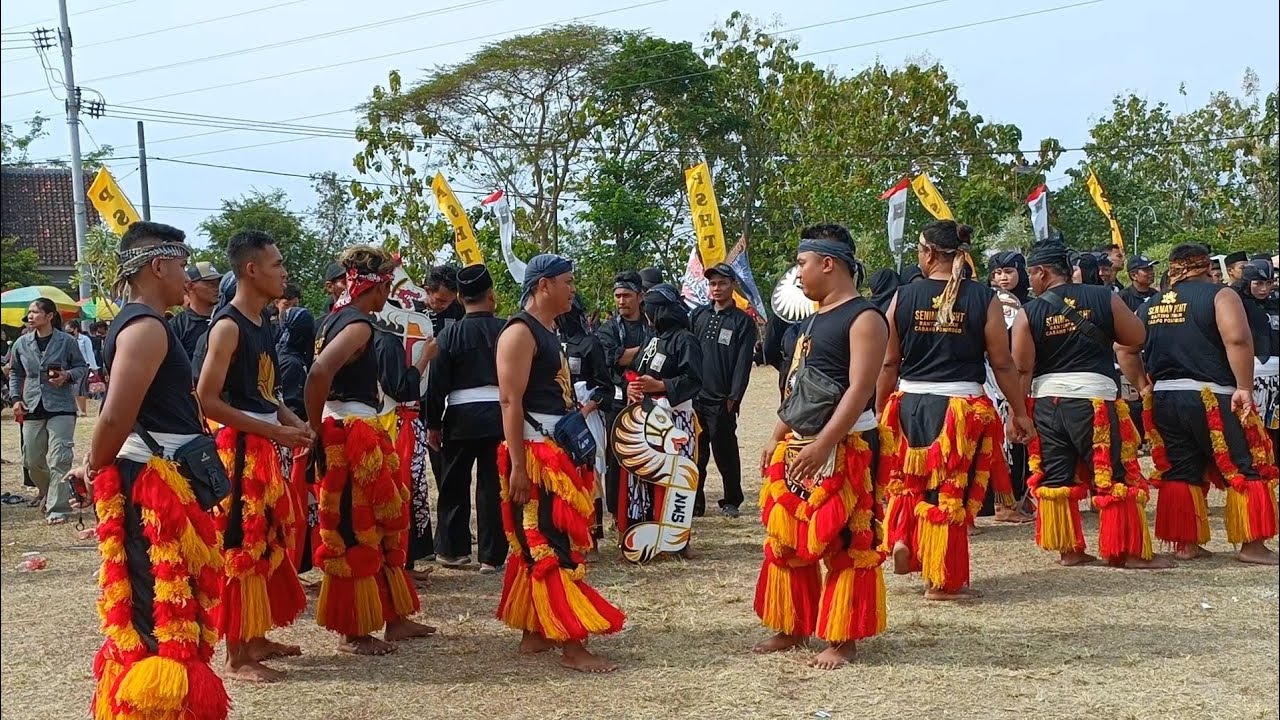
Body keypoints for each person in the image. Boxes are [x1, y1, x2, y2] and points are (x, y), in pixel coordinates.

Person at [78, 221, 230, 720]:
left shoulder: (148, 323)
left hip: (163, 481)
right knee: (155, 614)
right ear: (158, 266)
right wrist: (92, 466)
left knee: (170, 604)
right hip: (150, 489)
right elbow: (116, 415)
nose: (188, 277)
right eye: (183, 266)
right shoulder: (144, 328)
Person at [752, 224, 888, 669]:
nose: (798, 271)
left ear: (828, 264)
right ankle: (791, 625)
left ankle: (843, 638)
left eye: (802, 262)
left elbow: (859, 389)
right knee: (788, 538)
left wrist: (824, 443)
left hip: (847, 443)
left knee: (848, 540)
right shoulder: (811, 319)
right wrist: (777, 438)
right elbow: (799, 389)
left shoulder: (864, 317)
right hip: (800, 442)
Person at [877, 220, 1030, 601]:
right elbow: (1003, 363)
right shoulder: (983, 298)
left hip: (910, 403)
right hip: (961, 408)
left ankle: (904, 540)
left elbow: (889, 363)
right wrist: (1019, 410)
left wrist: (881, 409)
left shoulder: (902, 296)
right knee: (950, 493)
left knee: (911, 483)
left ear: (928, 253)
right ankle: (941, 581)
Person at [495, 253, 625, 673]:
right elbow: (510, 401)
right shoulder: (519, 332)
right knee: (551, 541)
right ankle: (572, 644)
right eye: (567, 282)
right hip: (535, 454)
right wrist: (518, 464)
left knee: (542, 541)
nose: (574, 289)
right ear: (544, 285)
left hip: (555, 449)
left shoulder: (550, 330)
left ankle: (536, 630)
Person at [304, 245, 435, 655]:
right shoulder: (358, 325)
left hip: (358, 428)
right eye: (385, 288)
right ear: (373, 288)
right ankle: (353, 631)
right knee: (353, 523)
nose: (387, 297)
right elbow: (318, 373)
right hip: (349, 431)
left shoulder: (334, 320)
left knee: (381, 519)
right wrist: (315, 430)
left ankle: (393, 617)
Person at [195, 230, 311, 682]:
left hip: (262, 441)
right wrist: (273, 429)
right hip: (237, 449)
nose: (284, 272)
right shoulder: (227, 326)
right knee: (240, 543)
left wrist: (291, 422)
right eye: (277, 263)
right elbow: (207, 400)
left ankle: (255, 635)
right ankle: (236, 655)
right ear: (251, 270)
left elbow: (265, 391)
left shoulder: (265, 323)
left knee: (268, 539)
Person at [1011, 240, 1170, 569]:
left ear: (1042, 272)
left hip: (1047, 403)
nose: (1032, 281)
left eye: (1032, 274)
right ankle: (1126, 551)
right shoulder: (1104, 297)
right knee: (1113, 472)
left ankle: (1070, 550)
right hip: (1093, 400)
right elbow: (1136, 336)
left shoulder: (1030, 311)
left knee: (1056, 476)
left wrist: (1019, 414)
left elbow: (1022, 368)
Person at [1139, 243, 1278, 565]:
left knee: (1181, 468)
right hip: (1212, 393)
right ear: (1204, 266)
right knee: (1245, 463)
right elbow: (1238, 340)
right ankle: (1252, 545)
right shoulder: (1221, 295)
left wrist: (1141, 384)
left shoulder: (1152, 304)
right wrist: (1244, 386)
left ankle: (1186, 544)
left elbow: (1125, 347)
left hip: (1165, 396)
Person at [425, 264, 506, 573]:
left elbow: (436, 384)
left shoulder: (448, 334)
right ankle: (491, 556)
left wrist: (433, 423)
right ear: (491, 295)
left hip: (459, 417)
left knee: (452, 484)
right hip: (499, 415)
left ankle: (452, 550)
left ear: (460, 297)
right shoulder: (506, 330)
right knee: (492, 486)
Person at [622, 283, 703, 553]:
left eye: (651, 309)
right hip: (646, 416)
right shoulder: (651, 339)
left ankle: (677, 539)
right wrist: (632, 387)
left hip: (674, 420)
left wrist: (662, 386)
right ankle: (646, 530)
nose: (647, 314)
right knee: (646, 475)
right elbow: (636, 371)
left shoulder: (685, 339)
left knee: (675, 477)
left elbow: (694, 379)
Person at [372, 286, 438, 578]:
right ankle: (399, 564)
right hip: (393, 424)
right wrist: (425, 359)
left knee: (410, 490)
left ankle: (405, 562)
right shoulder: (386, 342)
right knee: (401, 491)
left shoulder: (377, 337)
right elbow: (401, 389)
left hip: (398, 423)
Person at [8, 298, 87, 524]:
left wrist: (67, 376)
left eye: (35, 312)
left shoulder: (66, 341)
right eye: (29, 313)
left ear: (50, 315)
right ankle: (47, 491)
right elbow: (15, 373)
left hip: (61, 405)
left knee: (60, 458)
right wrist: (15, 399)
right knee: (32, 460)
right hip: (32, 404)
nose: (30, 316)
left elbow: (82, 367)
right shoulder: (21, 344)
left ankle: (58, 508)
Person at [690, 262, 757, 518]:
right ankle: (695, 503)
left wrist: (734, 397)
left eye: (722, 283)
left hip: (722, 400)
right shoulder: (698, 316)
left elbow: (743, 364)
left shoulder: (742, 323)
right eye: (712, 283)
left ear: (733, 286)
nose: (716, 288)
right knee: (696, 453)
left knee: (725, 451)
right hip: (696, 397)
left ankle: (731, 500)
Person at [596, 271, 652, 523]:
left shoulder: (651, 325)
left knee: (649, 452)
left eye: (627, 295)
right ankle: (618, 511)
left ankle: (646, 508)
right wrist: (649, 349)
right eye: (617, 296)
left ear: (640, 297)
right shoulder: (608, 329)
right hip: (617, 399)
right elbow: (610, 359)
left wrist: (630, 355)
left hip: (649, 398)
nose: (621, 301)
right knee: (616, 457)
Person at [557, 291, 611, 549]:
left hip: (585, 419)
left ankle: (592, 536)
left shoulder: (590, 344)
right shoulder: (551, 343)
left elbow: (606, 388)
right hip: (559, 419)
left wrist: (586, 409)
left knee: (591, 475)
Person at [983, 251, 1034, 523]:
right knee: (1002, 445)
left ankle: (1021, 499)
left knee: (1020, 446)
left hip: (1023, 380)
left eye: (1009, 271)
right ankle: (1003, 505)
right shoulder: (987, 301)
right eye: (997, 272)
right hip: (993, 382)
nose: (1003, 277)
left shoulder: (1031, 304)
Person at [276, 305, 318, 572]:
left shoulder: (285, 356)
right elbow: (291, 404)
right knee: (295, 506)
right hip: (292, 441)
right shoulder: (291, 363)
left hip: (293, 438)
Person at [1237, 261, 1279, 449]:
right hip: (1252, 376)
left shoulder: (1275, 301)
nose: (1264, 289)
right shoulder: (1236, 303)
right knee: (1253, 428)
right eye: (1258, 284)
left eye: (1268, 283)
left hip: (1277, 375)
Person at [170, 261, 223, 361]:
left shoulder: (225, 319)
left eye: (218, 283)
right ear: (190, 286)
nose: (217, 288)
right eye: (211, 284)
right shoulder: (177, 326)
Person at [65, 319, 98, 416]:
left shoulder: (84, 339)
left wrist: (94, 367)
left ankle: (83, 410)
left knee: (79, 388)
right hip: (70, 367)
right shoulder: (66, 340)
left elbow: (90, 353)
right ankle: (78, 410)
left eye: (70, 330)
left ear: (75, 329)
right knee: (73, 389)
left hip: (83, 366)